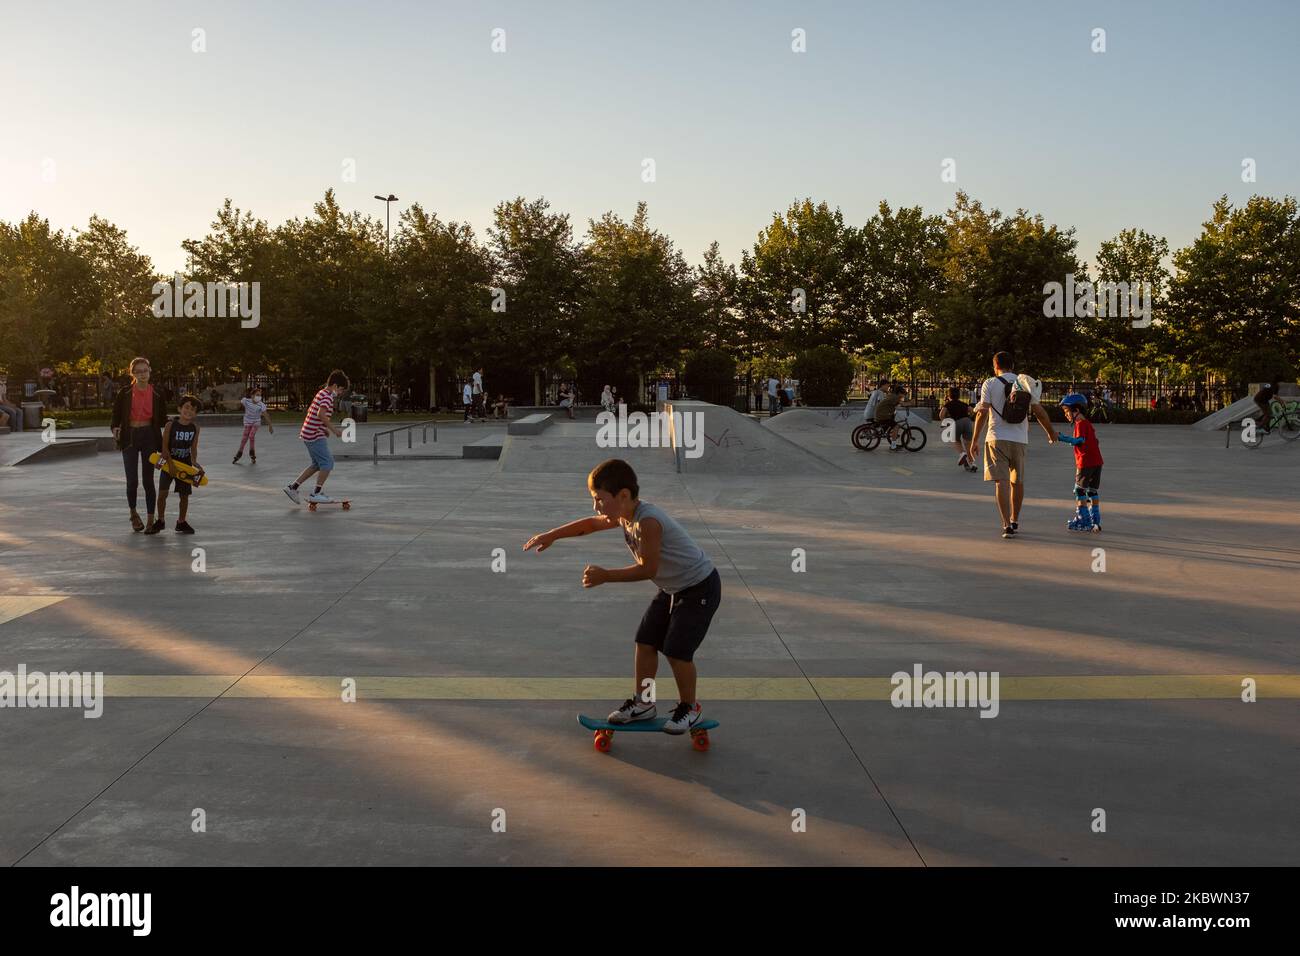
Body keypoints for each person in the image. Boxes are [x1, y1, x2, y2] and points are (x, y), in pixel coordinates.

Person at [522, 458, 721, 734]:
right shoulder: (625, 514)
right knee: (646, 641)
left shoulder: (648, 522)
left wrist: (606, 576)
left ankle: (691, 708)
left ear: (623, 495)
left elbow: (647, 569)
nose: (596, 507)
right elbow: (591, 524)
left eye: (600, 499)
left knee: (677, 651)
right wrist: (552, 535)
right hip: (674, 587)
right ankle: (644, 703)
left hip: (700, 587)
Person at [967, 351, 1057, 539]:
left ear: (995, 366)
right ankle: (1015, 519)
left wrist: (974, 440)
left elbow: (981, 413)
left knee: (1001, 481)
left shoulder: (989, 383)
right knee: (1018, 481)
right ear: (1013, 366)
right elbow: (1038, 410)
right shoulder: (1024, 382)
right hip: (1020, 439)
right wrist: (1050, 432)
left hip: (996, 437)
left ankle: (1006, 525)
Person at [111, 357, 169, 533]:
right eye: (138, 371)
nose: (143, 374)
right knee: (132, 481)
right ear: (133, 373)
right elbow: (115, 417)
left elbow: (163, 419)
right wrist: (115, 429)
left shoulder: (158, 394)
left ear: (150, 371)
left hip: (149, 437)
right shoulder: (125, 393)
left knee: (148, 480)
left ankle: (151, 520)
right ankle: (134, 514)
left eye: (145, 370)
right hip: (129, 437)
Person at [283, 369, 349, 505]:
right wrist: (334, 430)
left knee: (316, 464)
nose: (341, 393)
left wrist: (323, 428)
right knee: (327, 462)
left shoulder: (321, 392)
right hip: (313, 435)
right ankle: (316, 493)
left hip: (309, 432)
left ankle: (293, 488)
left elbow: (312, 411)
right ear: (335, 386)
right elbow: (320, 414)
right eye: (341, 390)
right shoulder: (328, 396)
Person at [154, 395, 203, 534]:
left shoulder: (195, 428)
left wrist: (195, 464)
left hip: (184, 465)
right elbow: (164, 447)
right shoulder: (171, 425)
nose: (189, 411)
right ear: (179, 409)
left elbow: (193, 449)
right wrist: (171, 465)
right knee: (163, 493)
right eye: (186, 407)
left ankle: (181, 522)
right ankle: (161, 520)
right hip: (168, 463)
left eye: (193, 409)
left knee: (184, 495)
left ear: (195, 413)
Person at [1055, 393, 1104, 533]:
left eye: (1067, 411)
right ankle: (1096, 520)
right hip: (1097, 462)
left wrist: (1061, 437)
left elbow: (1079, 441)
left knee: (1079, 490)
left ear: (1076, 410)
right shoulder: (1087, 424)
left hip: (1085, 463)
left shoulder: (1080, 424)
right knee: (1092, 491)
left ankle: (1084, 520)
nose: (1066, 415)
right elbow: (1095, 441)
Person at [939, 387, 977, 471]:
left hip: (955, 422)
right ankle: (973, 463)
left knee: (955, 440)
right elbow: (973, 411)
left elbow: (941, 415)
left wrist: (946, 422)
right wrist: (969, 417)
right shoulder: (964, 404)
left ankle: (962, 453)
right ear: (959, 396)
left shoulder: (948, 405)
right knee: (968, 444)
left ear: (949, 396)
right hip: (967, 422)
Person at [234, 386, 273, 463]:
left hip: (256, 422)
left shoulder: (261, 405)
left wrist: (270, 426)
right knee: (244, 438)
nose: (259, 397)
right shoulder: (246, 401)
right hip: (247, 422)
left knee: (251, 436)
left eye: (260, 395)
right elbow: (236, 402)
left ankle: (252, 453)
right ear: (252, 396)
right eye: (257, 395)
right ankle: (239, 453)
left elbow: (266, 415)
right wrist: (222, 402)